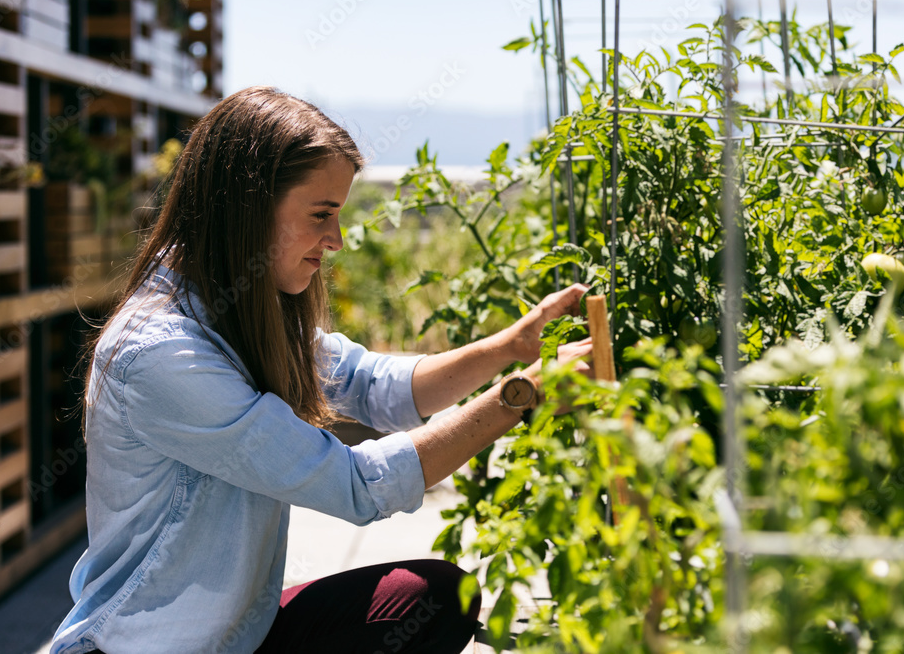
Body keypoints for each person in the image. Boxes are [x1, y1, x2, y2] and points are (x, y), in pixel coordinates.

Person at [50, 86, 594, 654]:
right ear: (249, 208)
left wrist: (509, 346)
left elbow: (372, 385)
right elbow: (355, 487)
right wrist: (521, 397)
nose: (333, 241)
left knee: (429, 598)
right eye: (320, 215)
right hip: (149, 645)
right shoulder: (161, 354)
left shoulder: (236, 305)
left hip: (237, 633)